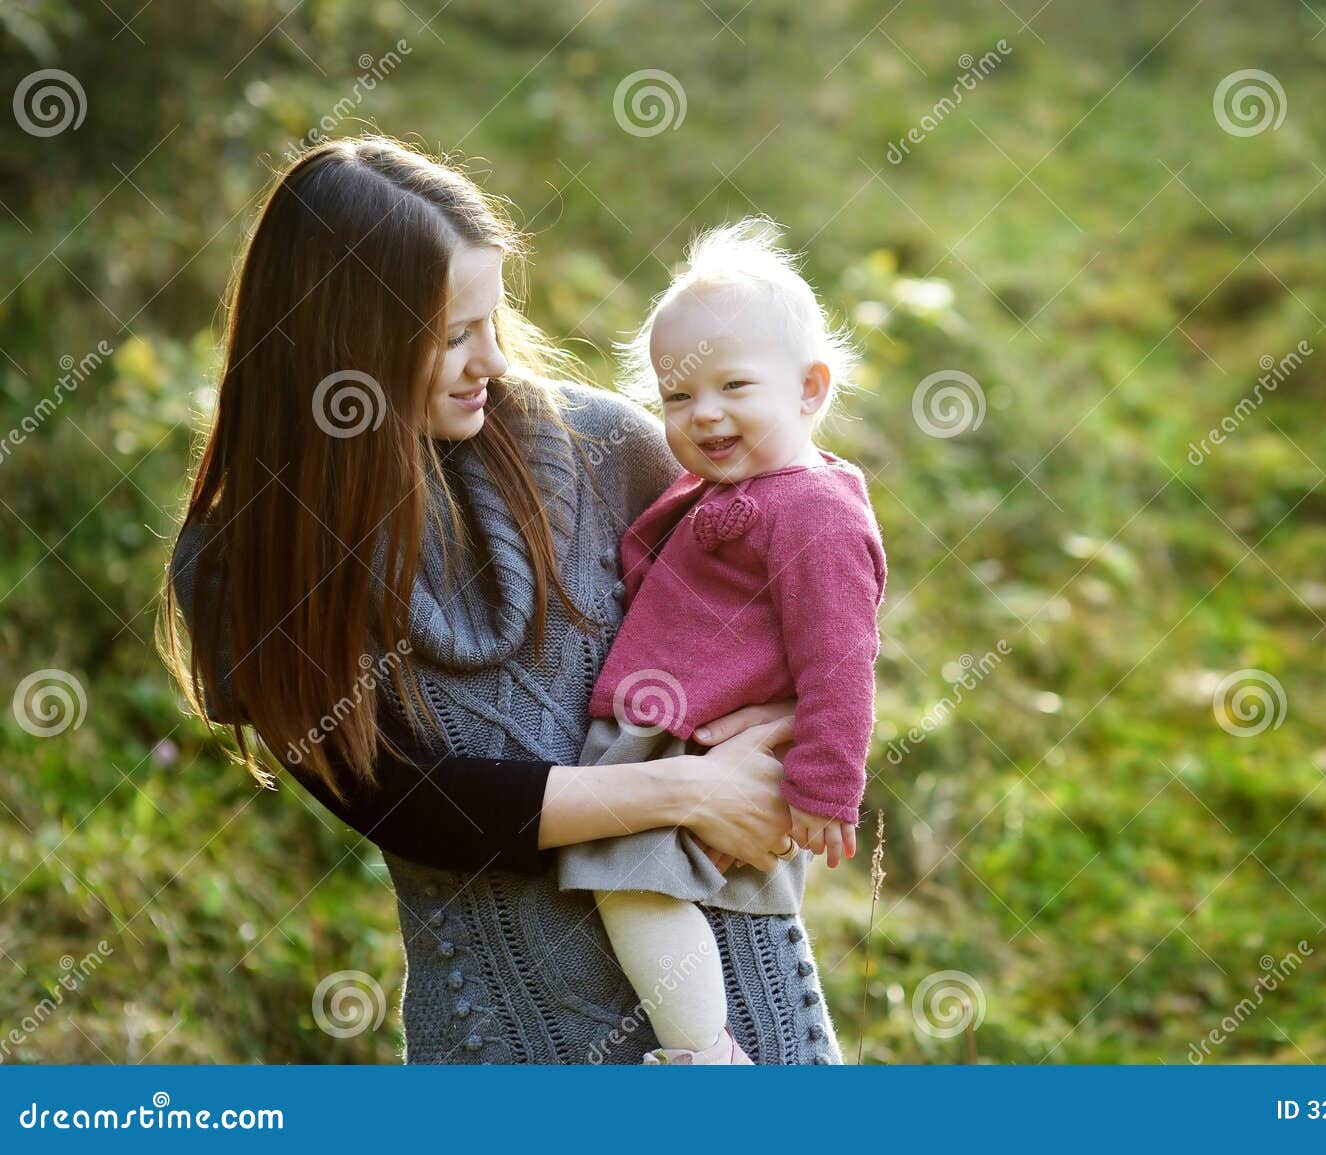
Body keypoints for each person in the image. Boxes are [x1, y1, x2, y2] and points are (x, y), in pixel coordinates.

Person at [161, 135, 843, 1063]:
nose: (491, 357)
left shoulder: (606, 450)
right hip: (511, 1037)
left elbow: (816, 596)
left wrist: (783, 720)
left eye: (491, 317)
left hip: (745, 1013)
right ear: (343, 344)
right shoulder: (247, 564)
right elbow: (408, 803)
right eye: (448, 335)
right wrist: (687, 788)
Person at [556, 219, 886, 1063]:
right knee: (630, 887)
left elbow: (841, 658)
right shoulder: (732, 488)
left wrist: (823, 786)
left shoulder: (812, 508)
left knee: (630, 883)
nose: (704, 414)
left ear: (810, 389)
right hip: (670, 730)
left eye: (734, 385)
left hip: (695, 737)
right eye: (676, 396)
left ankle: (705, 1054)